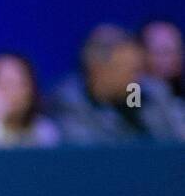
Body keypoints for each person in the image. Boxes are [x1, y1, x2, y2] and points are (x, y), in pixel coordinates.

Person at [49, 24, 185, 144]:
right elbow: (91, 155)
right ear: (98, 70)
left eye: (139, 70)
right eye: (129, 70)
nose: (137, 79)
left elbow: (170, 137)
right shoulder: (69, 102)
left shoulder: (141, 91)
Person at [141, 19, 183, 99]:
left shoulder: (178, 90)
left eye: (177, 50)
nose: (173, 58)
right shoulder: (133, 90)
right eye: (161, 52)